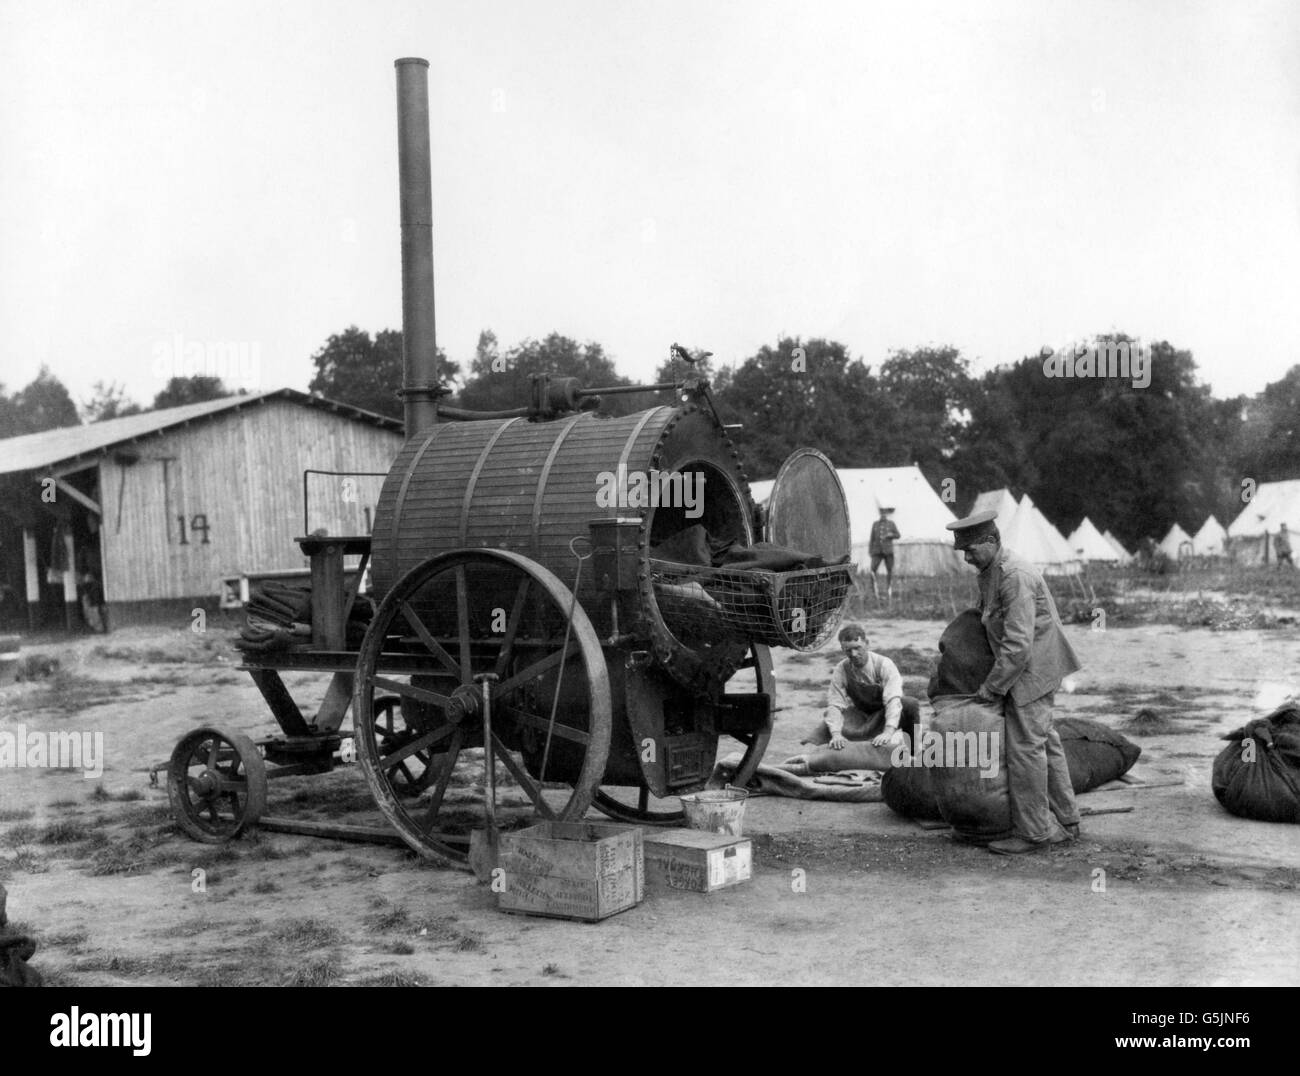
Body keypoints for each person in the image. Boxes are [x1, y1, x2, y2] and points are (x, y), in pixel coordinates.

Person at [946, 509, 1082, 855]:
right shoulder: (990, 572)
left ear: (991, 541)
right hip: (1026, 669)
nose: (966, 557)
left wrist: (992, 688)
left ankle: (1035, 833)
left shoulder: (1014, 575)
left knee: (1024, 751)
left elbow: (1018, 644)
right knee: (1044, 743)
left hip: (1032, 671)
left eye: (971, 549)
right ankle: (1066, 819)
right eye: (962, 551)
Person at [800, 622, 920, 751]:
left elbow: (892, 700)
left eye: (858, 648)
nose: (854, 654)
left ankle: (914, 750)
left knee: (910, 704)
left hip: (883, 715)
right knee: (827, 725)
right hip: (860, 716)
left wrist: (888, 732)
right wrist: (836, 734)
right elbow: (835, 703)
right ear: (842, 649)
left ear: (867, 643)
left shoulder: (884, 664)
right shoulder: (842, 669)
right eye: (848, 650)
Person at [868, 507, 901, 600]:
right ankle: (874, 593)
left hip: (888, 551)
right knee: (872, 570)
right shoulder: (875, 524)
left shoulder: (891, 524)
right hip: (877, 552)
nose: (883, 514)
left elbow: (898, 535)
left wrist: (891, 535)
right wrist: (870, 551)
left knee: (890, 571)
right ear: (880, 514)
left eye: (885, 513)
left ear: (887, 514)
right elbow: (872, 539)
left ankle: (889, 591)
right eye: (881, 513)